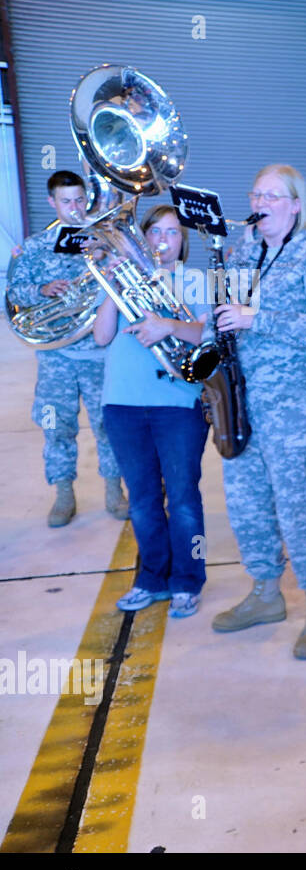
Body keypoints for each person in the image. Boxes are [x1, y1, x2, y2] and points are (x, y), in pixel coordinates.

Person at [210, 164, 306, 660]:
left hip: (297, 413)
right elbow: (224, 317)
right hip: (243, 404)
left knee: (299, 509)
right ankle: (266, 594)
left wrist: (258, 318)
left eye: (273, 195)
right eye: (256, 193)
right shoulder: (242, 253)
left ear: (295, 204)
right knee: (247, 504)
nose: (261, 201)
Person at [91, 205, 209, 618]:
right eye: (155, 232)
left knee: (183, 499)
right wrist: (110, 284)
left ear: (183, 241)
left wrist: (169, 326)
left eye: (173, 233)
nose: (163, 240)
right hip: (122, 404)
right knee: (141, 501)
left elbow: (205, 335)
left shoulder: (195, 279)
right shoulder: (120, 280)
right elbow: (103, 336)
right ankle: (151, 578)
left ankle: (188, 581)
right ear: (141, 239)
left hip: (177, 404)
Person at [8, 170, 126, 526]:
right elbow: (14, 293)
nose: (74, 208)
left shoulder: (103, 241)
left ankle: (113, 491)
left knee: (108, 425)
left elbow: (127, 284)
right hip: (56, 356)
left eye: (79, 200)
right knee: (55, 426)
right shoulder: (34, 247)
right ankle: (63, 494)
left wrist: (105, 256)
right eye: (66, 201)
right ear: (52, 202)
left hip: (98, 353)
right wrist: (42, 290)